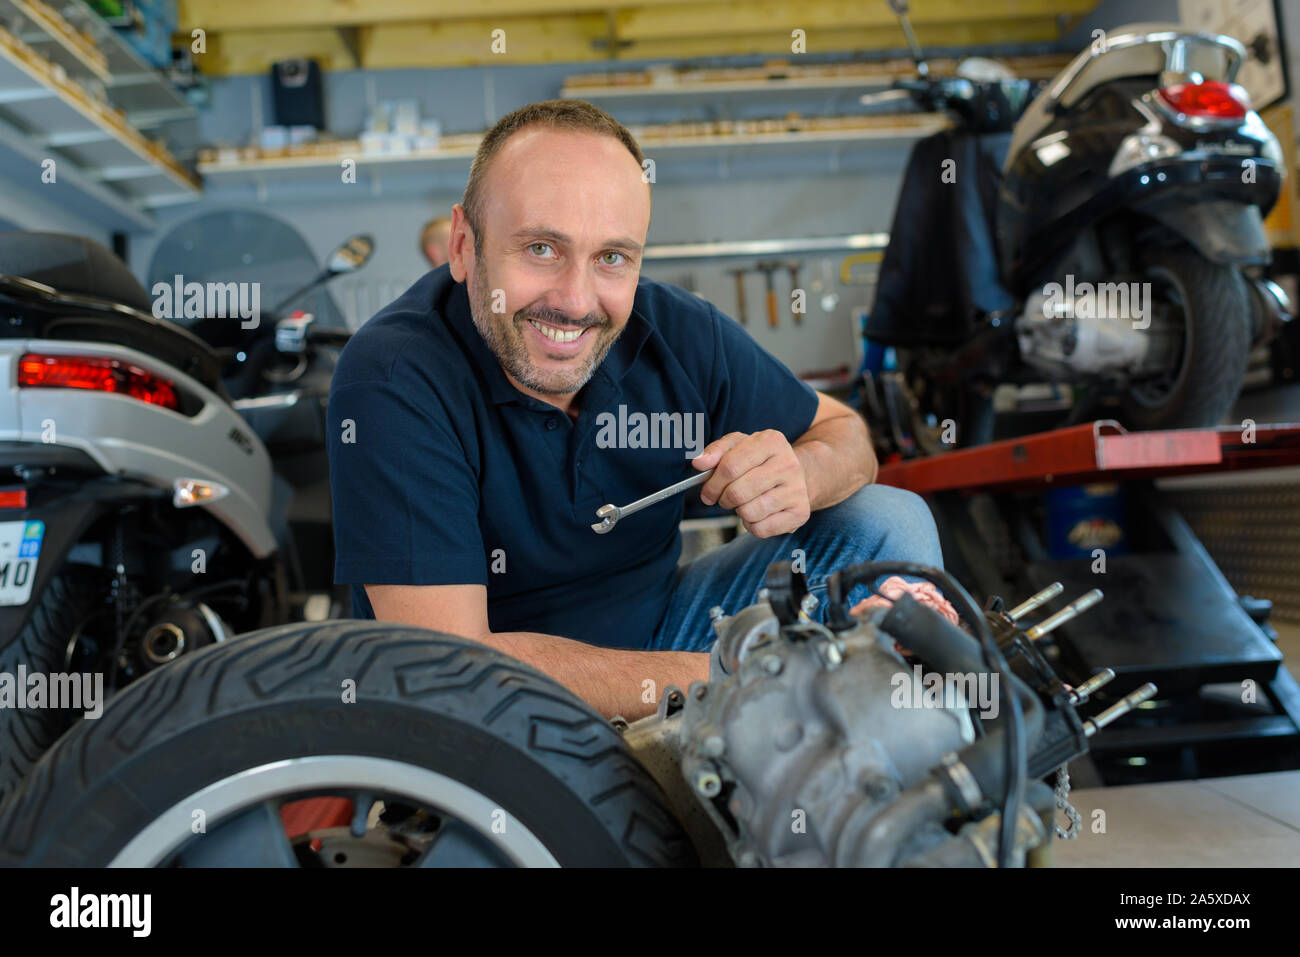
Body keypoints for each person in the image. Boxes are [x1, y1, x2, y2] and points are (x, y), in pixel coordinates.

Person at [328, 99, 954, 720]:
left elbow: (844, 432)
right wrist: (754, 670)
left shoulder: (678, 332)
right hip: (501, 712)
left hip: (664, 636)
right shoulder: (393, 377)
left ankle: (878, 779)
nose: (575, 300)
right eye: (541, 248)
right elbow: (452, 666)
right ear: (463, 248)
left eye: (611, 258)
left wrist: (803, 475)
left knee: (885, 520)